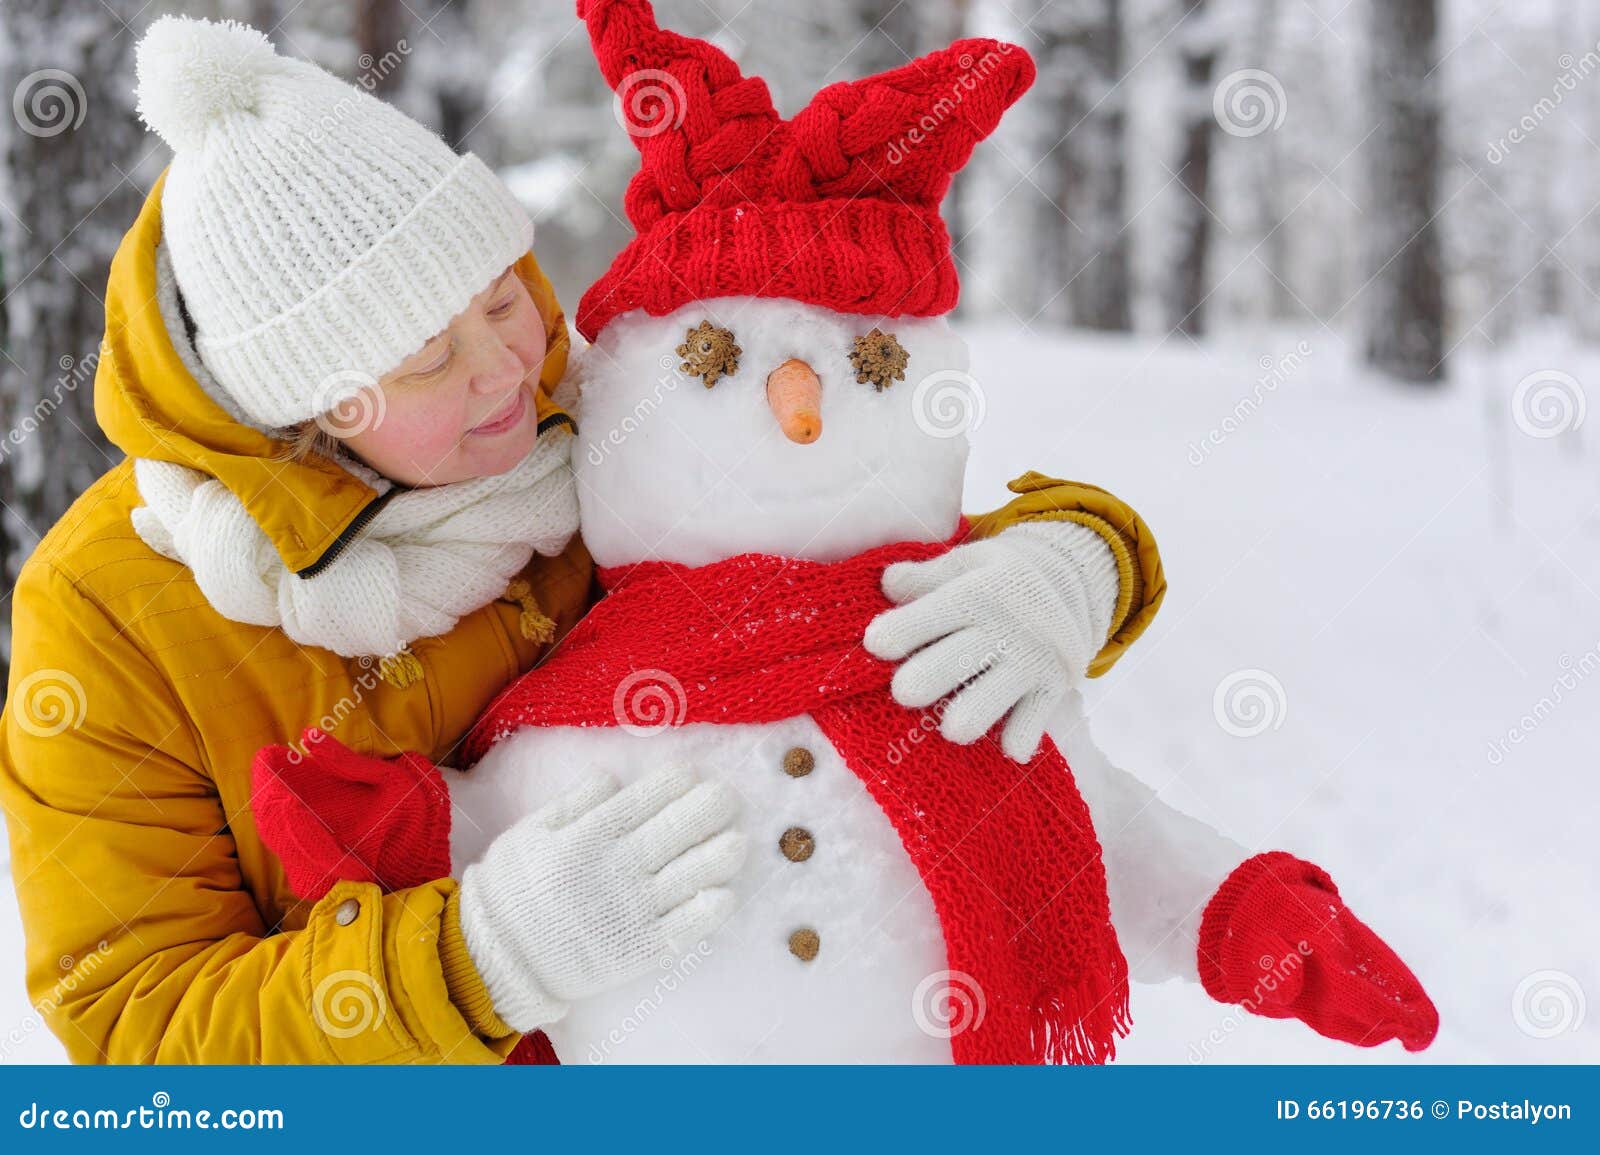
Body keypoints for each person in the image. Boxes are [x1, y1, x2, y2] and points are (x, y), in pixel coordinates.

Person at [0, 16, 1164, 1063]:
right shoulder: (110, 619)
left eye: (501, 299)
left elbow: (841, 530)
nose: (509, 370)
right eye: (426, 362)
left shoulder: (583, 418)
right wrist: (477, 963)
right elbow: (136, 1024)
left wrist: (1078, 559)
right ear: (305, 413)